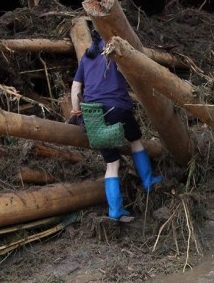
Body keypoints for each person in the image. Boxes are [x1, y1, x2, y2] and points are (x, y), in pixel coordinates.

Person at [70, 27, 163, 222]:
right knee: (136, 140)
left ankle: (115, 211)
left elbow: (76, 86)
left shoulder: (88, 56)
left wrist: (77, 112)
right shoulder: (116, 49)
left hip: (93, 114)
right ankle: (147, 181)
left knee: (111, 164)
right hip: (117, 108)